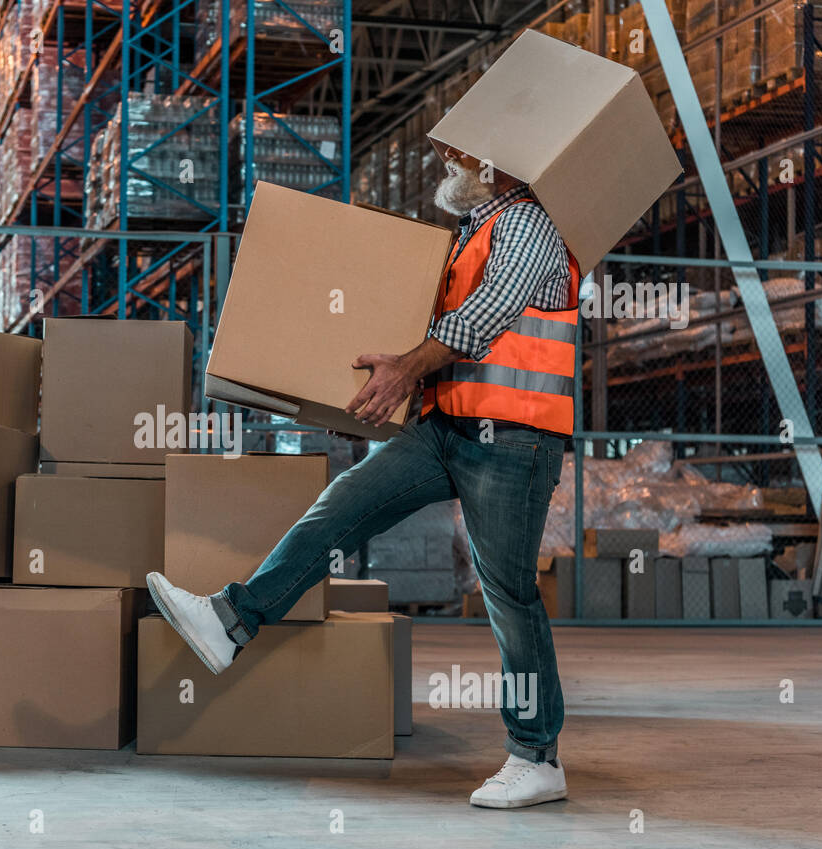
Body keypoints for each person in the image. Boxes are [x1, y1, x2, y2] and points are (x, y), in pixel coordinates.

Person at [147, 146, 580, 809]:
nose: (447, 157)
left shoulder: (526, 222)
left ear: (497, 164)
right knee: (339, 509)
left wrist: (405, 368)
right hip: (445, 428)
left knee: (508, 592)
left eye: (462, 151)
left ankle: (536, 755)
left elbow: (485, 317)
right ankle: (230, 621)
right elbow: (425, 328)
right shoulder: (468, 235)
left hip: (514, 438)